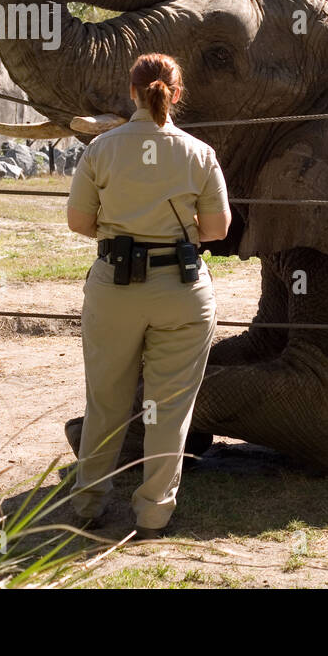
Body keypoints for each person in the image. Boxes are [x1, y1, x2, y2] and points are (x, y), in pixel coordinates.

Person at [64, 52, 231, 538]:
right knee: (169, 408)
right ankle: (154, 513)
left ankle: (90, 502)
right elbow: (218, 229)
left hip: (115, 286)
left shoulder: (101, 149)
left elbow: (78, 222)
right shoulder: (199, 154)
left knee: (106, 401)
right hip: (181, 290)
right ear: (176, 95)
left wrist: (122, 227)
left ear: (132, 92)